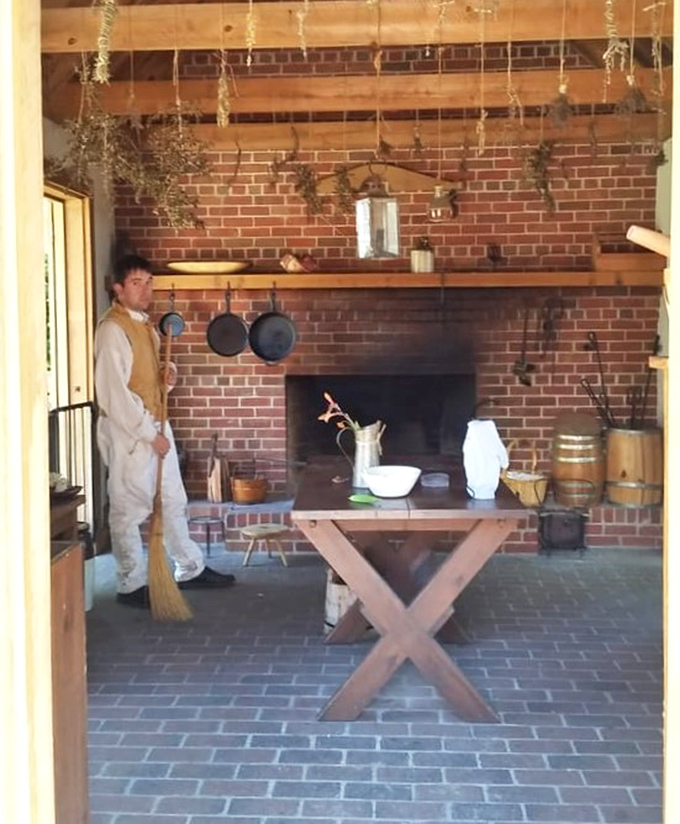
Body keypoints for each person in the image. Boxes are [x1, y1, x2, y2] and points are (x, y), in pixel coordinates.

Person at [94, 254, 235, 608]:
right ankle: (131, 584)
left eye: (149, 282)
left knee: (173, 499)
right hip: (130, 433)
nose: (146, 290)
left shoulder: (144, 325)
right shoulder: (113, 330)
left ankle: (189, 567)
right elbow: (114, 393)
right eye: (137, 283)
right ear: (119, 288)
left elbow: (144, 378)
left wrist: (166, 376)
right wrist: (147, 432)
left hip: (156, 423)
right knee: (128, 506)